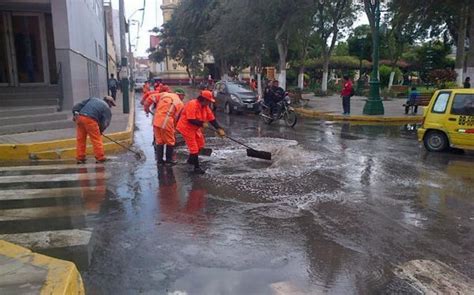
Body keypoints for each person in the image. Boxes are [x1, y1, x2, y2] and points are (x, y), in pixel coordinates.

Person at [176, 90, 226, 174]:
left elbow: (212, 119)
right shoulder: (193, 104)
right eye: (209, 101)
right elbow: (190, 119)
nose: (209, 103)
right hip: (186, 128)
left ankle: (190, 161)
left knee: (200, 144)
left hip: (195, 128)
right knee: (194, 148)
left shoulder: (205, 107)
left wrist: (219, 128)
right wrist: (202, 123)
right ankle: (196, 168)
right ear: (204, 100)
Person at [145, 88, 185, 165]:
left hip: (156, 121)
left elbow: (150, 98)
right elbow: (176, 118)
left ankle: (160, 161)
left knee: (159, 141)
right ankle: (169, 160)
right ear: (180, 95)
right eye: (183, 96)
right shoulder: (180, 103)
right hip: (167, 122)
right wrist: (174, 129)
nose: (183, 98)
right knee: (170, 141)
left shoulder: (164, 94)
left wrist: (146, 108)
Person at [73, 96, 115, 164]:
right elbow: (105, 123)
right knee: (96, 139)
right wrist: (100, 131)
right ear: (109, 102)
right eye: (111, 104)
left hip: (80, 118)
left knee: (81, 139)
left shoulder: (93, 99)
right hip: (90, 120)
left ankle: (80, 157)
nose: (111, 106)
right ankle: (100, 157)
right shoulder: (106, 108)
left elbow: (76, 107)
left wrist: (74, 114)